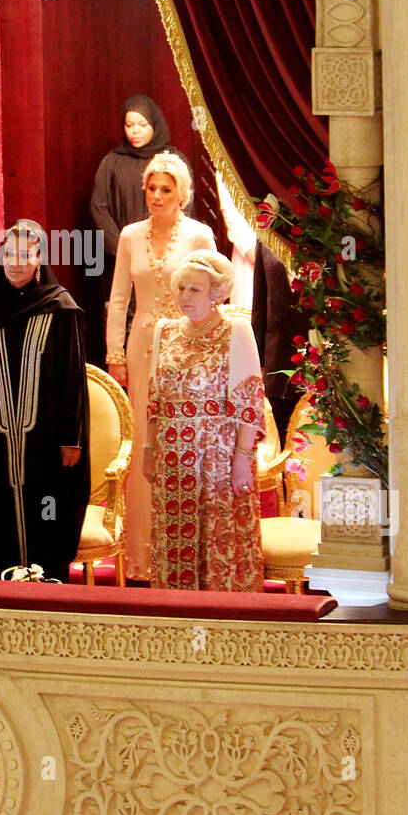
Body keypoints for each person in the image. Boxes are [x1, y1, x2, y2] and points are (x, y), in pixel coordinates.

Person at [105, 153, 215, 583]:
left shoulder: (200, 235)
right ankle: (140, 559)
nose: (156, 196)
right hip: (141, 345)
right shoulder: (131, 236)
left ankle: (185, 553)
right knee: (144, 442)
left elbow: (215, 296)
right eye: (151, 188)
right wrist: (115, 356)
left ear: (181, 193)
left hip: (187, 348)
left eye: (165, 189)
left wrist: (208, 352)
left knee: (183, 440)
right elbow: (118, 299)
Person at [0, 220, 90, 583]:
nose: (16, 262)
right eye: (9, 254)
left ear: (38, 259)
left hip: (48, 440)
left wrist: (71, 437)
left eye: (25, 254)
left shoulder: (60, 308)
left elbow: (72, 379)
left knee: (46, 507)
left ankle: (45, 578)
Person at [144, 250, 266, 592]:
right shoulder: (164, 331)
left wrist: (242, 460)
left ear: (216, 293)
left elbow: (248, 401)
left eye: (194, 289)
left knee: (218, 536)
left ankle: (225, 619)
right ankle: (175, 615)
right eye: (181, 288)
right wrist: (148, 450)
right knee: (173, 538)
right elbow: (154, 398)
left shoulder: (235, 330)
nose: (185, 296)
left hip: (219, 456)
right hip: (172, 459)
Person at [90, 95, 192, 303]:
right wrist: (124, 249)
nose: (135, 131)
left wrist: (163, 247)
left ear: (154, 124)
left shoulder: (173, 161)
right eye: (129, 125)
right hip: (121, 259)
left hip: (166, 259)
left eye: (142, 125)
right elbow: (99, 207)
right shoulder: (112, 161)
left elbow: (184, 205)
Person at [251, 241, 311, 444]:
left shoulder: (320, 232)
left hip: (315, 355)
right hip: (277, 357)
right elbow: (259, 303)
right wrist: (257, 361)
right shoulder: (265, 238)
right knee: (281, 434)